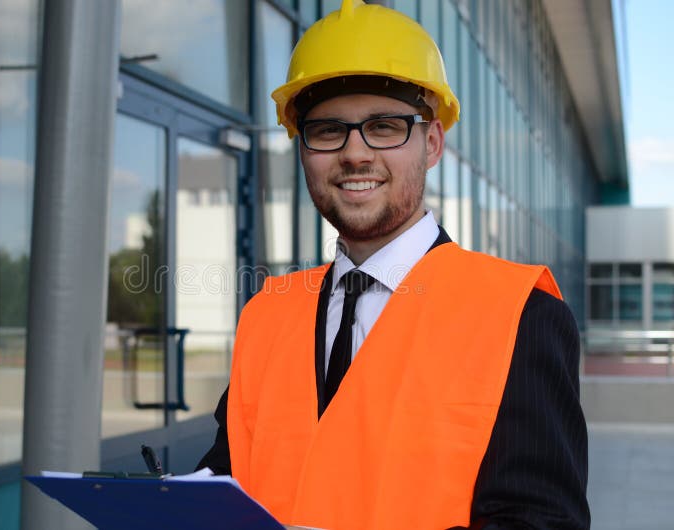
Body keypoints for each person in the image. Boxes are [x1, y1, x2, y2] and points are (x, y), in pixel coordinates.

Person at [198, 1, 589, 528]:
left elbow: (540, 521)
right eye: (328, 130)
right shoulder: (267, 315)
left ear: (431, 144)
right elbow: (228, 480)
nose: (355, 153)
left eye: (384, 127)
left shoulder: (521, 316)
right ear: (303, 149)